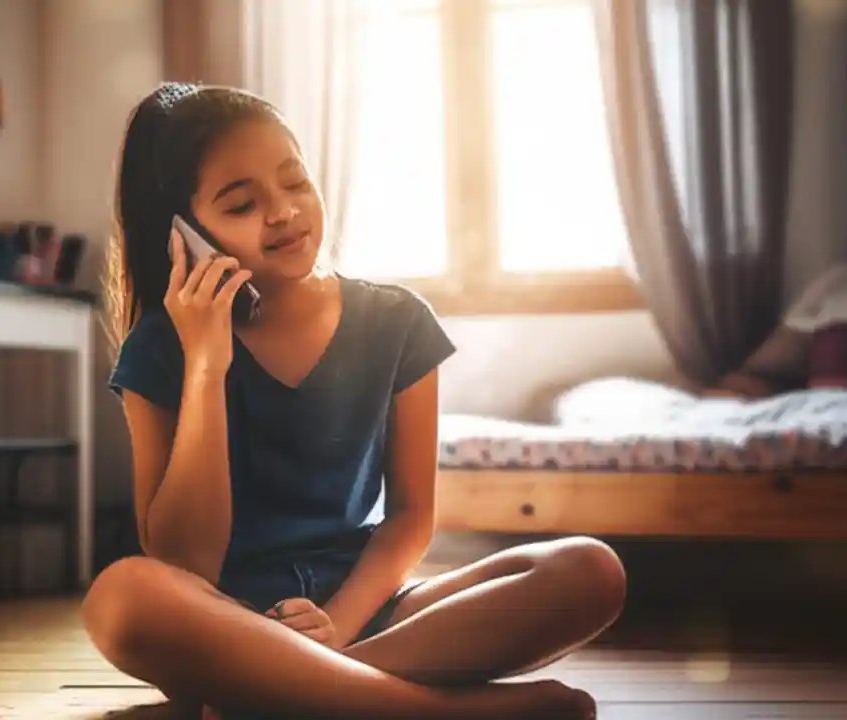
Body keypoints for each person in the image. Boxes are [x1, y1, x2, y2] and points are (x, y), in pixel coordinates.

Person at [82, 82, 626, 720]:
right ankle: (444, 713)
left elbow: (409, 520)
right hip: (227, 633)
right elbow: (183, 562)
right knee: (121, 596)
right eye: (241, 204)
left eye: (295, 183)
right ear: (185, 235)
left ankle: (290, 701)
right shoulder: (161, 348)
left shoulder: (396, 321)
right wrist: (207, 363)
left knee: (590, 569)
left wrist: (335, 630)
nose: (284, 212)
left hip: (369, 615)